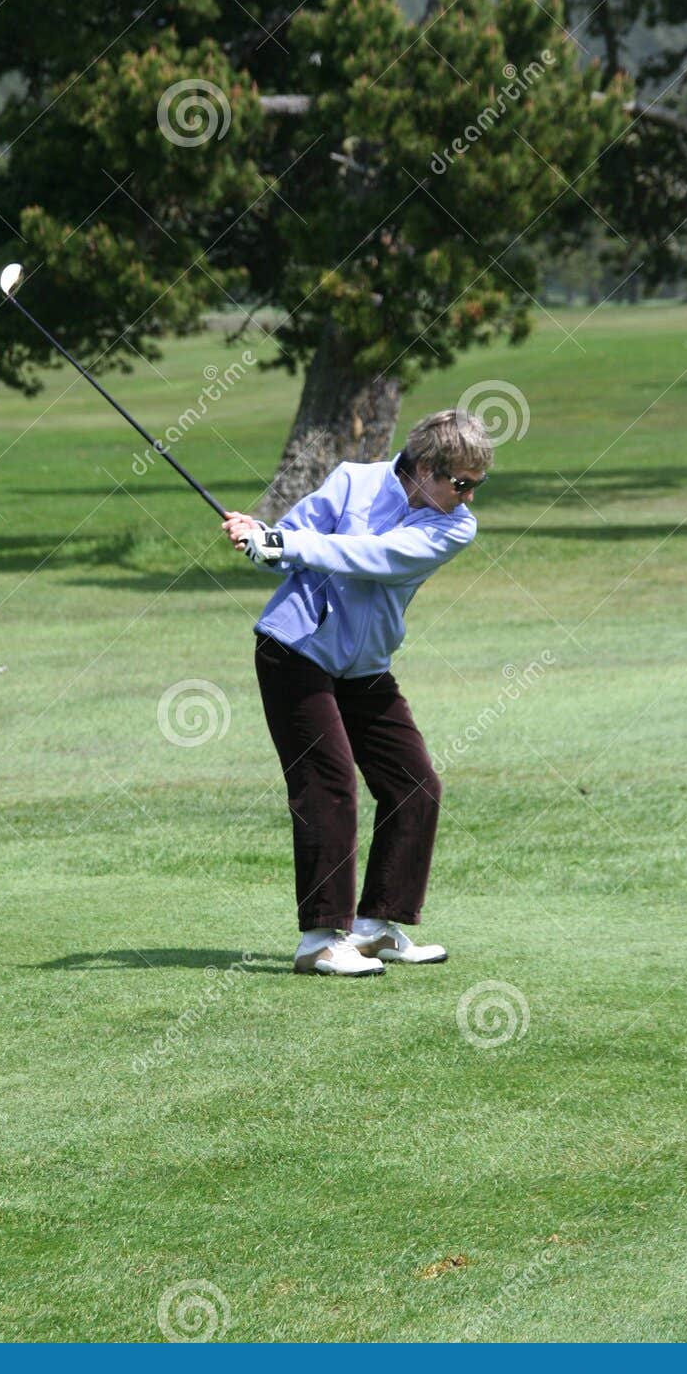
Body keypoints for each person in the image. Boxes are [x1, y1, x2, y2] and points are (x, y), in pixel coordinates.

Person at [222, 409, 493, 977]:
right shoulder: (353, 480)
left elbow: (378, 559)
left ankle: (375, 927)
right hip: (295, 650)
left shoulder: (454, 526)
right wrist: (259, 539)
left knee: (415, 784)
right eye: (459, 483)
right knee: (329, 782)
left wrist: (287, 544)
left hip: (365, 666)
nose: (467, 496)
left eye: (476, 485)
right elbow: (289, 549)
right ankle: (319, 941)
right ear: (424, 468)